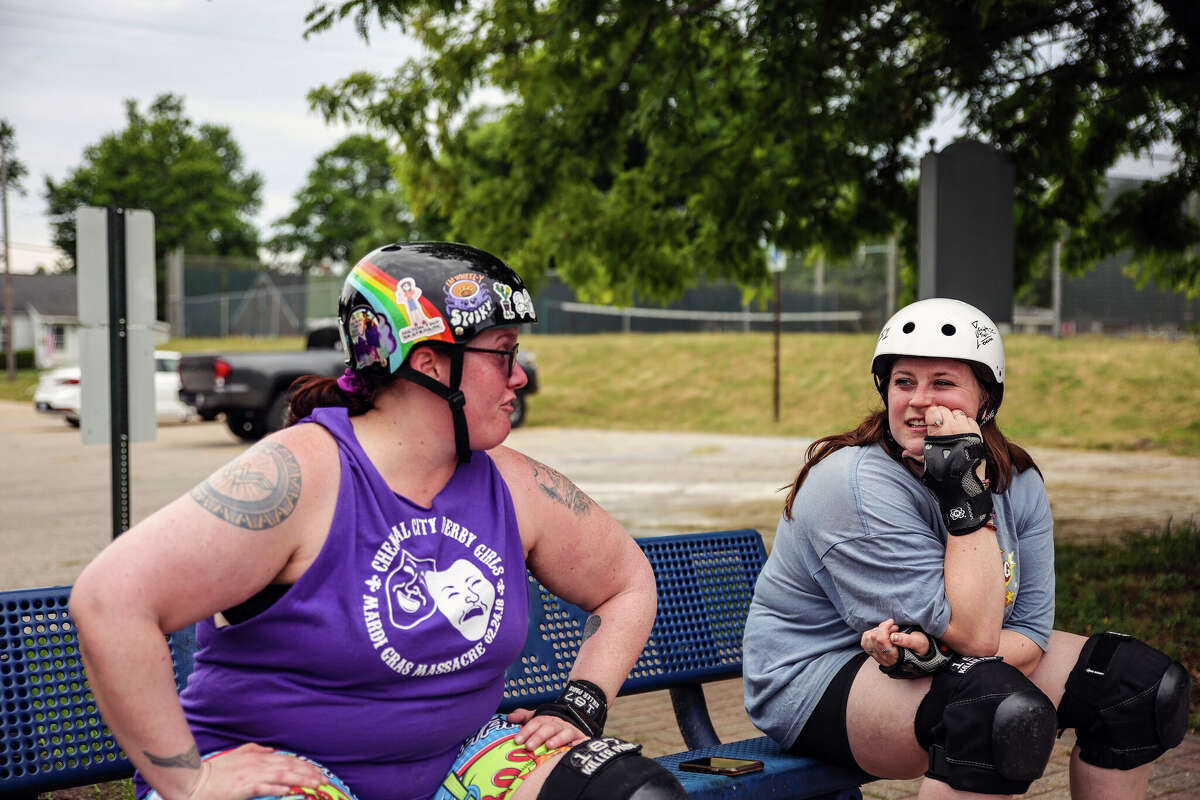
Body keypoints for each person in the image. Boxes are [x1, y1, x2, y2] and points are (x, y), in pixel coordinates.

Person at [70, 242, 686, 800]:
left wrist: (582, 704)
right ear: (428, 363)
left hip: (456, 762)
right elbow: (109, 599)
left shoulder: (514, 481)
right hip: (291, 774)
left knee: (636, 796)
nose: (519, 377)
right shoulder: (300, 474)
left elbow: (625, 580)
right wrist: (187, 779)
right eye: (503, 354)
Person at [743, 298, 1189, 799]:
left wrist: (939, 654)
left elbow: (1030, 630)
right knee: (996, 717)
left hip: (931, 661)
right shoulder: (856, 485)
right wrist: (962, 490)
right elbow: (976, 638)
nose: (918, 400)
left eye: (943, 383)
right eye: (903, 381)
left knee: (1138, 689)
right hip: (814, 678)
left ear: (986, 400)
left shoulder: (1015, 479)